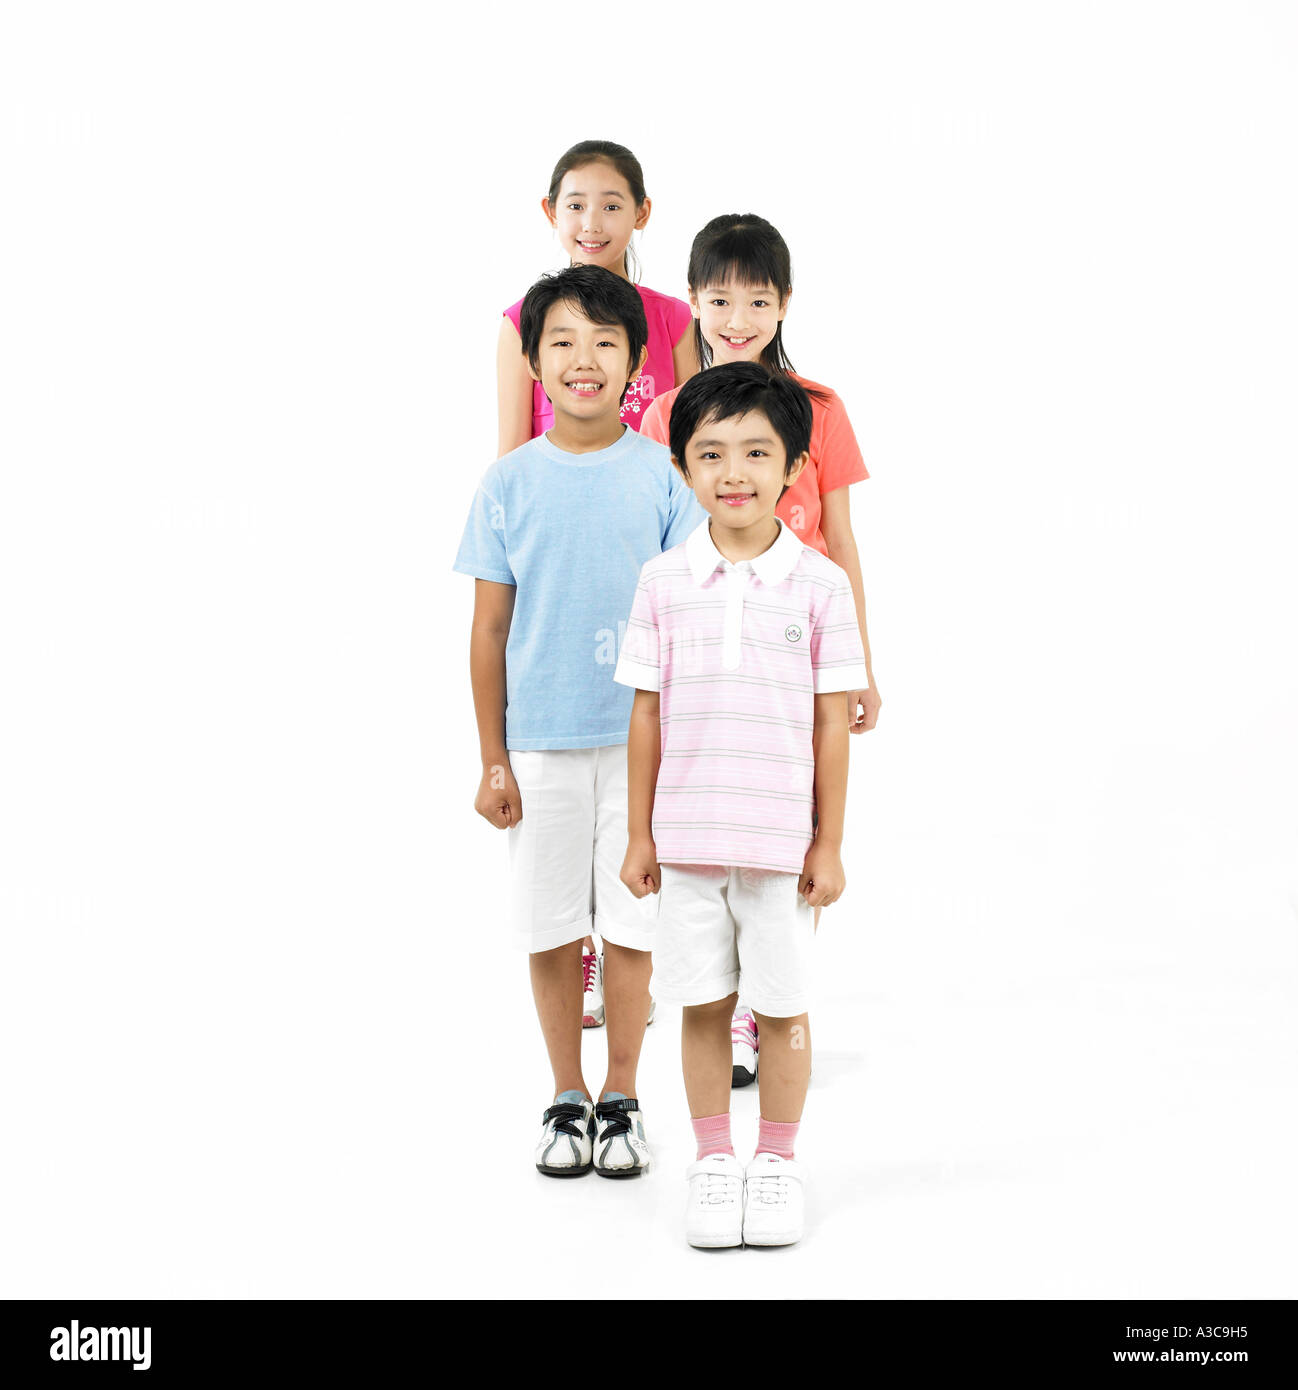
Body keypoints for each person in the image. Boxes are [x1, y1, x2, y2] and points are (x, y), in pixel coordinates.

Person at [457, 265, 704, 1178]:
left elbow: (690, 616)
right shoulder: (507, 484)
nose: (583, 359)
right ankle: (567, 1093)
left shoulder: (665, 479)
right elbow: (488, 627)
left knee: (635, 928)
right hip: (545, 744)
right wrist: (493, 759)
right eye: (560, 342)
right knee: (553, 925)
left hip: (646, 744)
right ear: (532, 360)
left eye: (606, 342)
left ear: (637, 360)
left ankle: (625, 1093)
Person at [615, 363, 868, 1246]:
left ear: (796, 464)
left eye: (757, 451)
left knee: (784, 1007)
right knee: (703, 1007)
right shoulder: (661, 581)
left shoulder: (821, 587)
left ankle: (780, 1162)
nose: (734, 471)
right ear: (683, 466)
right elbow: (645, 713)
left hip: (779, 849)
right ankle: (715, 1161)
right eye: (711, 452)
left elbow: (832, 723)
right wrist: (641, 832)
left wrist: (827, 842)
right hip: (686, 844)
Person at [641, 213, 881, 1085]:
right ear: (694, 303)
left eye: (757, 298)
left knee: (802, 820)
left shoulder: (820, 409)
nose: (737, 316)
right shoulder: (668, 413)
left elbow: (843, 541)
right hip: (705, 650)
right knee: (706, 820)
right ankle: (713, 991)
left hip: (802, 649)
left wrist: (863, 663)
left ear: (785, 303)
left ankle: (765, 1002)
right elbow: (659, 543)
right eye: (717, 298)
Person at [498, 142, 701, 1016]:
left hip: (649, 536)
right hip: (561, 542)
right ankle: (579, 959)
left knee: (642, 778)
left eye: (611, 204)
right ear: (551, 213)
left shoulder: (667, 315)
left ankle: (646, 957)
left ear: (642, 214)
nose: (593, 222)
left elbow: (699, 429)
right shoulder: (524, 319)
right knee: (561, 803)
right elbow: (510, 444)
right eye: (575, 204)